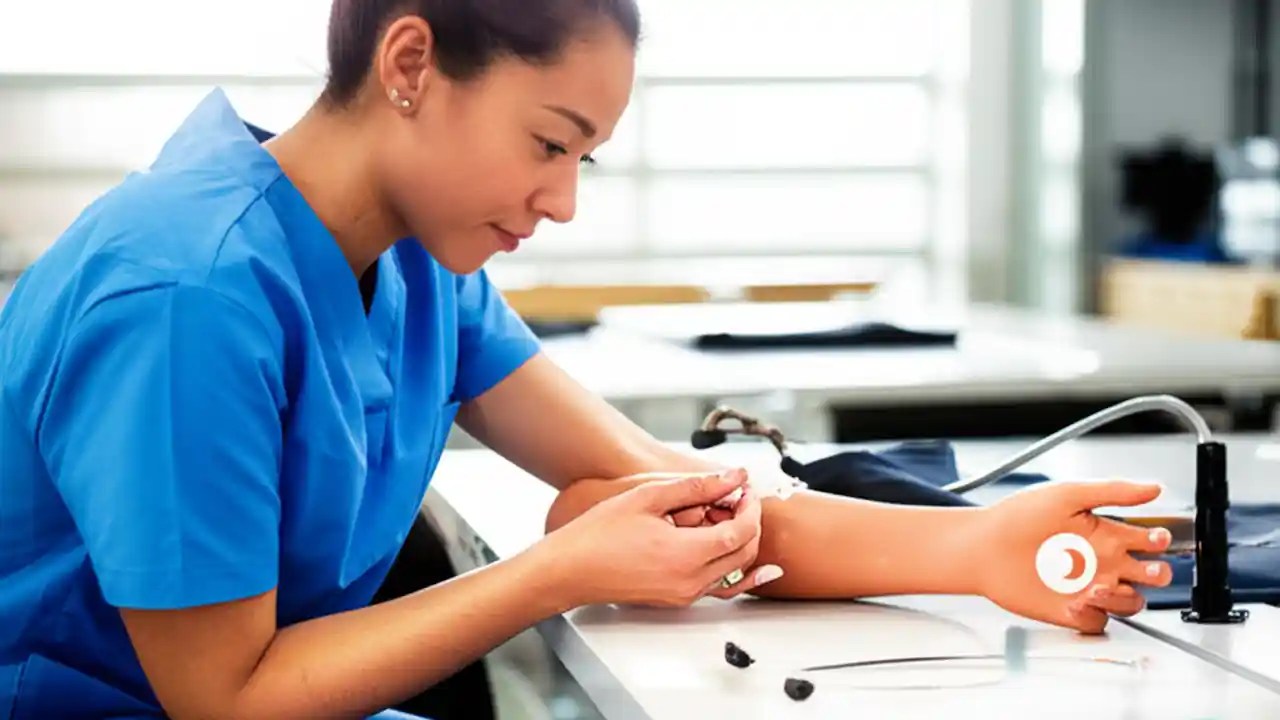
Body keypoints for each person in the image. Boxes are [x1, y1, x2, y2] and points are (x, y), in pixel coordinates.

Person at [0, 1, 1174, 718]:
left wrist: (977, 548)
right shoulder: (186, 294)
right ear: (409, 64)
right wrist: (552, 572)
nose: (559, 201)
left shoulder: (419, 267)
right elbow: (228, 697)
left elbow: (676, 487)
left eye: (586, 160)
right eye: (547, 143)